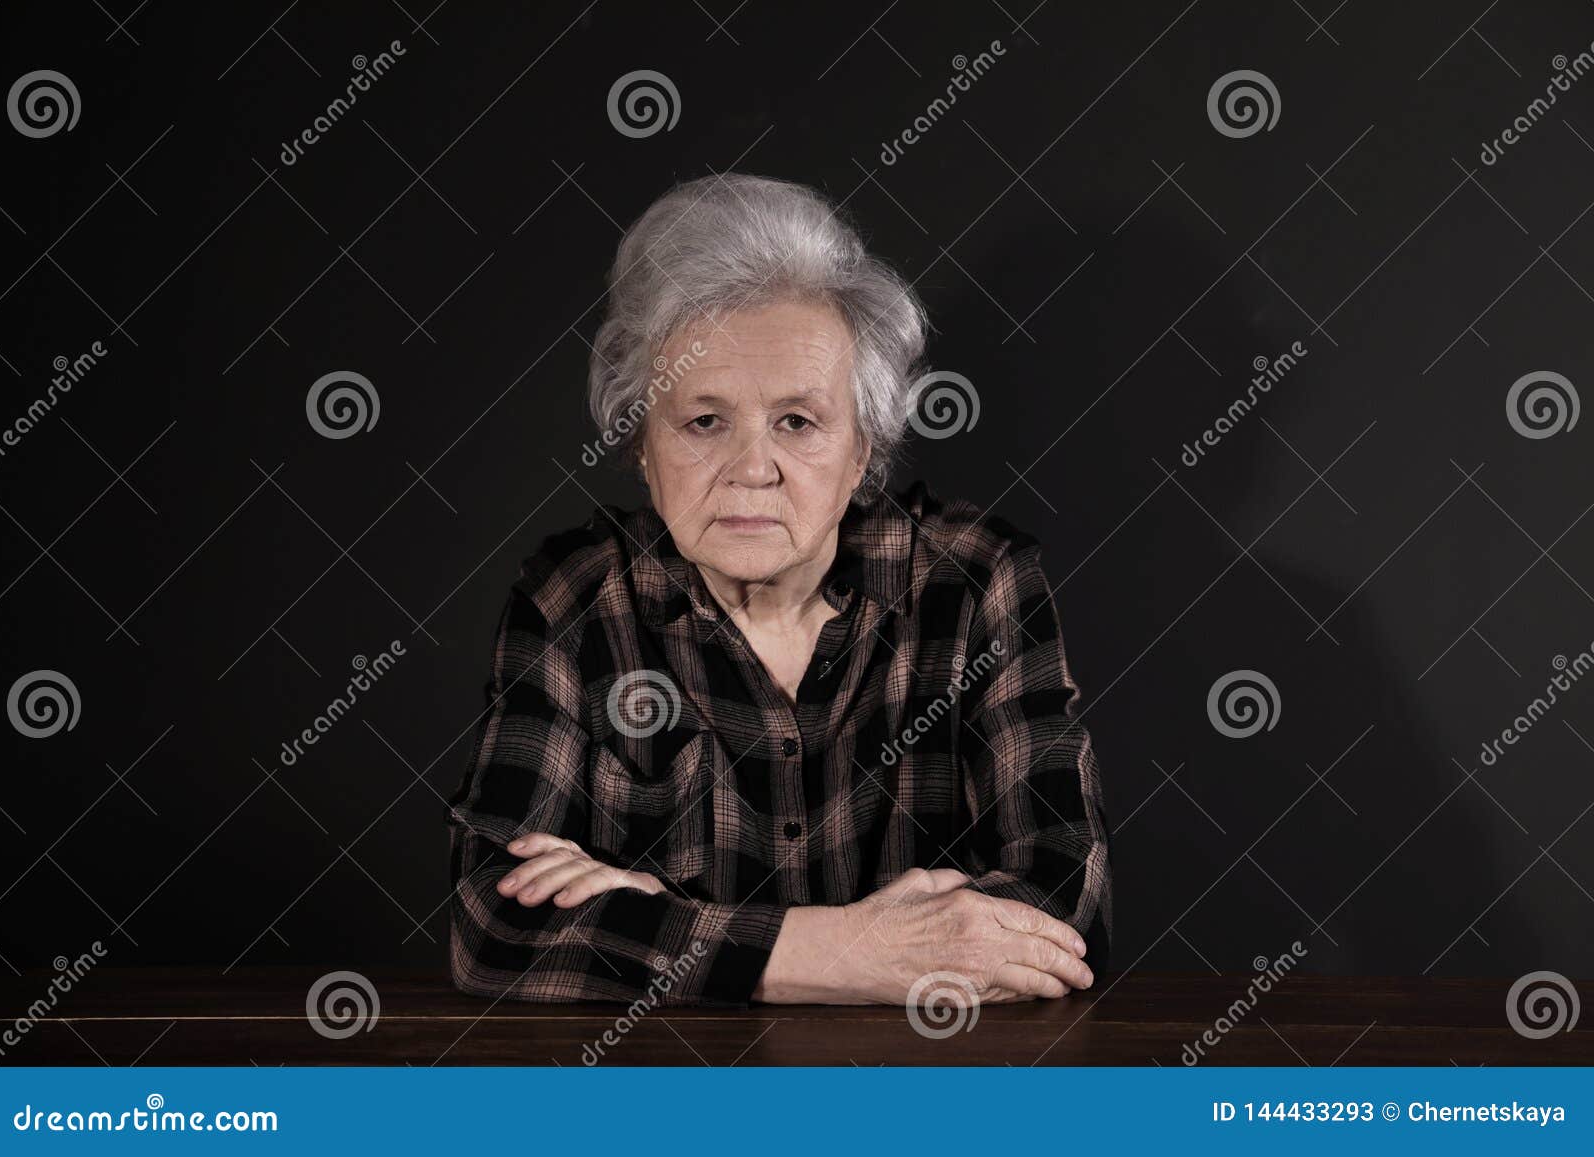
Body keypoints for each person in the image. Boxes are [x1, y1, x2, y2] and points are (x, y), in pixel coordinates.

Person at [445, 173, 1111, 1007]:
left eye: (797, 421)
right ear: (642, 445)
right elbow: (494, 926)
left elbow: (1063, 909)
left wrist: (668, 919)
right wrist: (840, 952)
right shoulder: (575, 599)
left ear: (863, 448)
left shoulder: (976, 581)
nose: (751, 469)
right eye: (703, 421)